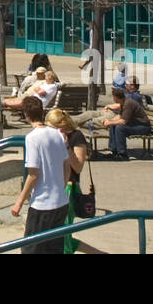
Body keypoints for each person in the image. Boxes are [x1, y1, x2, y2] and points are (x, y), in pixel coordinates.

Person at [11, 95, 69, 254]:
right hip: (61, 202)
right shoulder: (57, 134)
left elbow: (33, 174)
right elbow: (67, 165)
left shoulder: (32, 138)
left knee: (32, 248)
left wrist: (19, 201)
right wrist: (61, 187)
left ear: (26, 114)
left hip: (42, 204)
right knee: (54, 249)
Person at [47, 108, 89, 254]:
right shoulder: (51, 137)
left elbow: (77, 167)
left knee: (62, 233)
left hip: (69, 188)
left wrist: (66, 146)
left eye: (52, 128)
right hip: (52, 187)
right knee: (60, 234)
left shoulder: (76, 137)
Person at [101, 86, 151, 160]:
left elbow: (123, 121)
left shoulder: (128, 104)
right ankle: (114, 151)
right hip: (136, 125)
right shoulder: (123, 102)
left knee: (120, 128)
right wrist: (109, 121)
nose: (113, 98)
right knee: (113, 126)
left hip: (144, 127)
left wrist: (110, 122)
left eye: (113, 96)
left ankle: (122, 154)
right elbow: (120, 116)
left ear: (116, 97)